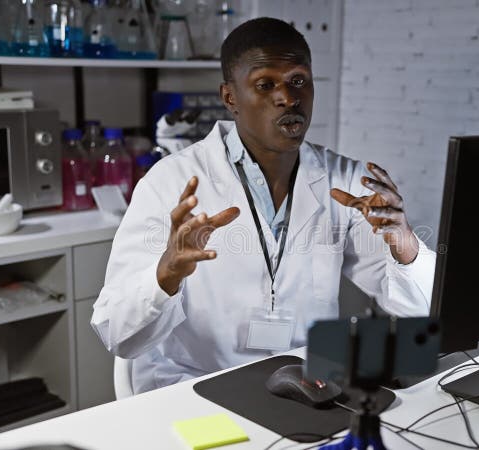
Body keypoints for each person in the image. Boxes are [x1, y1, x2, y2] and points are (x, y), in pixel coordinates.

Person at [91, 17, 435, 394]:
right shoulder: (169, 182)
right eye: (265, 84)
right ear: (230, 98)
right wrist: (166, 274)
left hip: (308, 388)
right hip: (197, 390)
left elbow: (421, 315)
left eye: (299, 80)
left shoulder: (347, 181)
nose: (287, 97)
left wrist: (404, 245)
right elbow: (116, 332)